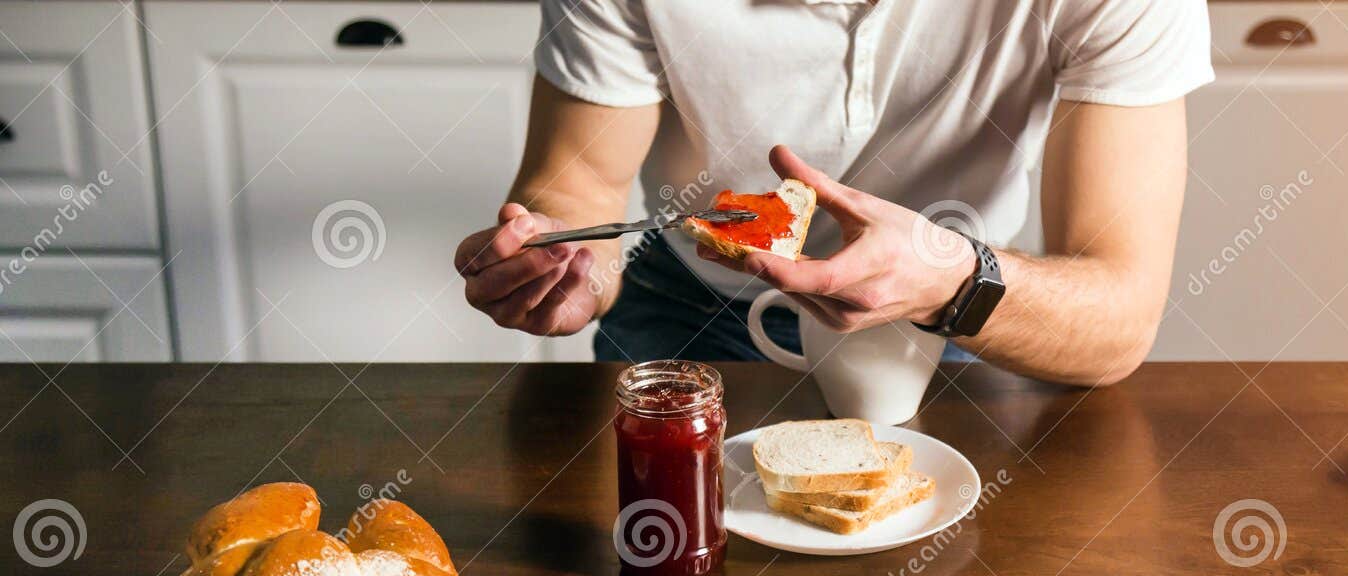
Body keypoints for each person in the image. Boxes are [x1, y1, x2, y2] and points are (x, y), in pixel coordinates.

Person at [454, 0, 1212, 385]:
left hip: (963, 319)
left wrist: (947, 279)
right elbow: (581, 185)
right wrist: (569, 264)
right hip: (685, 306)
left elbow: (1121, 312)